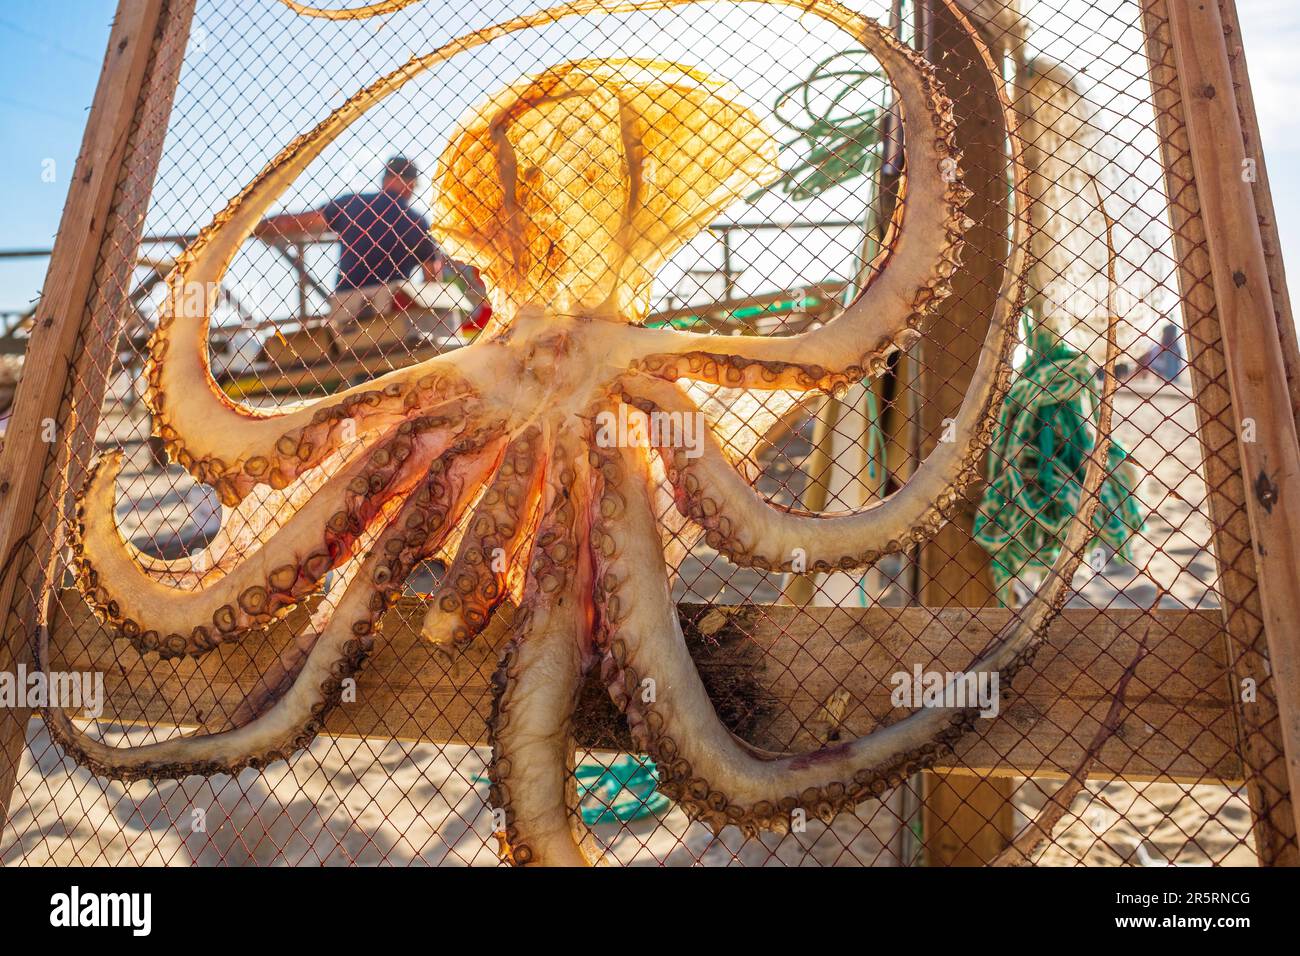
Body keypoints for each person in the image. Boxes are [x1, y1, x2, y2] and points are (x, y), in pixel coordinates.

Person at [255, 156, 444, 329]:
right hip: (392, 316)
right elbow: (432, 277)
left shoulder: (352, 204)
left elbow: (298, 223)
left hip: (346, 312)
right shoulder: (417, 222)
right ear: (410, 184)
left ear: (385, 179)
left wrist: (257, 226)